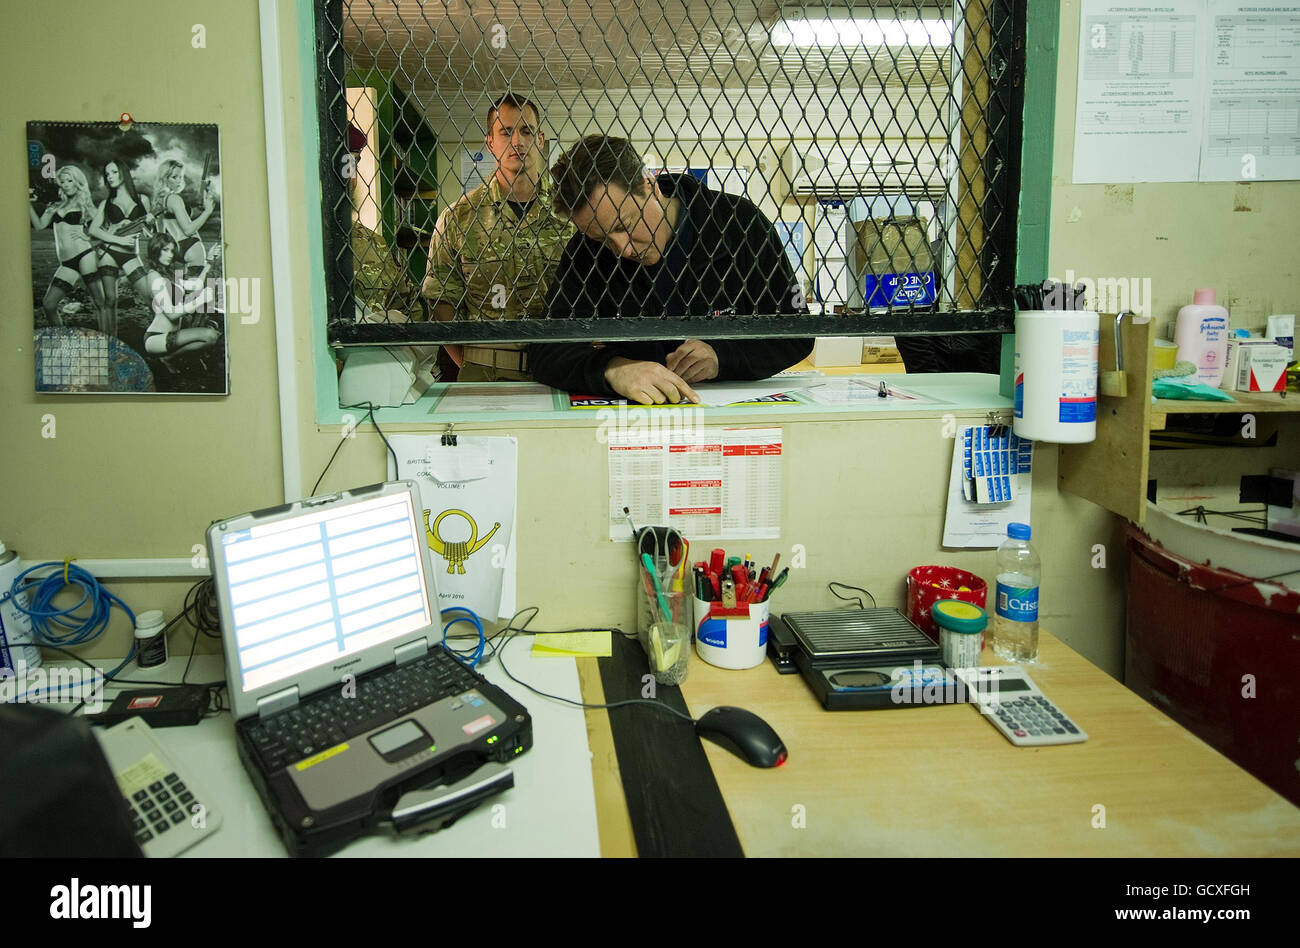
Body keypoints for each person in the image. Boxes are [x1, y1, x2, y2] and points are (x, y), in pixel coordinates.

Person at [530, 136, 813, 404]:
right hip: (634, 424)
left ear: (649, 185)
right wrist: (614, 370)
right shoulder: (585, 252)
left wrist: (723, 356)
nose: (622, 249)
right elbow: (545, 350)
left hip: (727, 420)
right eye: (601, 238)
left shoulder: (742, 225)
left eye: (624, 225)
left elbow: (796, 334)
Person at [421, 93, 574, 381]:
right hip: (484, 367)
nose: (518, 141)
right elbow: (440, 299)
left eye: (527, 131)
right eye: (506, 132)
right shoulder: (458, 217)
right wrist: (472, 360)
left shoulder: (570, 211)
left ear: (540, 139)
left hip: (561, 364)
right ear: (490, 143)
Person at [28, 166, 108, 329]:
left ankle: (109, 341)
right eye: (62, 181)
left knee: (100, 302)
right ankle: (61, 339)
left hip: (85, 256)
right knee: (49, 304)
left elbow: (106, 231)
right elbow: (39, 225)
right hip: (66, 264)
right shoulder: (55, 205)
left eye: (69, 180)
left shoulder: (85, 205)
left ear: (77, 182)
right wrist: (27, 203)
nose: (65, 184)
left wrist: (88, 238)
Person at [89, 159, 154, 338]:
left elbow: (150, 234)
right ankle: (111, 342)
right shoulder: (106, 203)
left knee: (150, 297)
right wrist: (117, 239)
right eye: (107, 174)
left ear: (123, 173)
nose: (110, 177)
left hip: (130, 255)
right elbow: (93, 230)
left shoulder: (143, 200)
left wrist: (151, 223)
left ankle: (157, 337)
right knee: (110, 300)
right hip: (108, 253)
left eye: (114, 172)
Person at [140, 233, 221, 370]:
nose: (170, 255)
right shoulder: (154, 277)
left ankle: (172, 358)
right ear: (155, 250)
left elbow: (196, 285)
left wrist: (209, 261)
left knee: (213, 335)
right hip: (156, 337)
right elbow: (171, 314)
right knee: (210, 335)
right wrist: (200, 300)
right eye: (165, 250)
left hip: (171, 335)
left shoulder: (168, 275)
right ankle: (168, 359)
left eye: (172, 250)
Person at [151, 158, 217, 279]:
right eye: (174, 177)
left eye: (181, 177)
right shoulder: (174, 199)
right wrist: (207, 212)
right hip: (190, 247)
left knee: (178, 294)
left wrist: (199, 210)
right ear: (164, 178)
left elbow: (178, 220)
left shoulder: (161, 199)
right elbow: (188, 230)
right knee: (195, 293)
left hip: (175, 250)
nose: (179, 181)